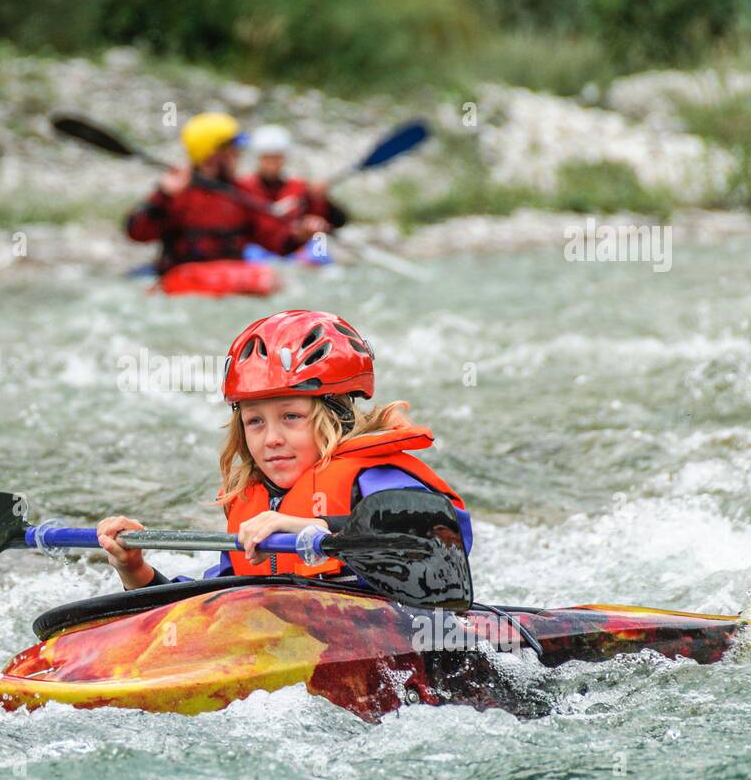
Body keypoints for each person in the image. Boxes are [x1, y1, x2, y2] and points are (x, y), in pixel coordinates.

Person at [97, 310, 471, 589]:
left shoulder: (376, 478)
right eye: (255, 421)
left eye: (291, 417)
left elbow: (439, 540)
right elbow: (212, 607)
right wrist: (136, 572)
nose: (271, 438)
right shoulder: (251, 501)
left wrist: (313, 526)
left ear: (337, 419)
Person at [125, 113, 329, 275]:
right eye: (233, 150)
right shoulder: (176, 193)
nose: (239, 156)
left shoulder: (240, 192)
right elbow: (137, 233)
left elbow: (276, 243)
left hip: (229, 280)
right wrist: (162, 196)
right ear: (215, 154)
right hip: (185, 279)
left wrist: (300, 235)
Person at [237, 125, 348, 229]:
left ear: (284, 159)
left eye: (277, 158)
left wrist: (320, 199)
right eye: (267, 157)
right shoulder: (243, 187)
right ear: (259, 159)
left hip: (289, 244)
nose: (272, 163)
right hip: (257, 243)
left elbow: (338, 220)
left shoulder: (299, 188)